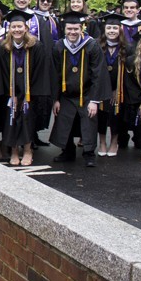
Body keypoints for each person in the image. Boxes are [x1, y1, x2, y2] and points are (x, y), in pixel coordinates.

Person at [49, 13, 110, 168]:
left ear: (82, 27)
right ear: (64, 29)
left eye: (76, 28)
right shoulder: (59, 46)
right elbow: (55, 73)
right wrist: (55, 99)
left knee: (89, 122)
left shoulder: (92, 45)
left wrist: (94, 101)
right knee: (64, 121)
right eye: (69, 29)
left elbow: (98, 74)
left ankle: (89, 154)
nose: (73, 32)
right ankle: (67, 151)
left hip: (87, 93)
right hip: (66, 94)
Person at [0, 9, 52, 167]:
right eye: (14, 27)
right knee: (11, 119)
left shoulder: (36, 46)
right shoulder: (3, 48)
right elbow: (0, 72)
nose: (17, 30)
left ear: (26, 28)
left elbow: (41, 71)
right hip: (10, 93)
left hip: (30, 92)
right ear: (9, 29)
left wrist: (29, 93)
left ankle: (27, 150)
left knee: (27, 120)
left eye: (20, 26)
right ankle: (14, 151)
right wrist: (8, 92)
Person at [97, 14, 127, 157]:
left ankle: (114, 142)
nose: (112, 31)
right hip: (100, 89)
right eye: (109, 28)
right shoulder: (97, 46)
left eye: (115, 28)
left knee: (116, 115)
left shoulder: (126, 48)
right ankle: (102, 142)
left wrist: (117, 90)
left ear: (120, 30)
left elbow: (129, 73)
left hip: (119, 90)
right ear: (104, 30)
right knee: (101, 115)